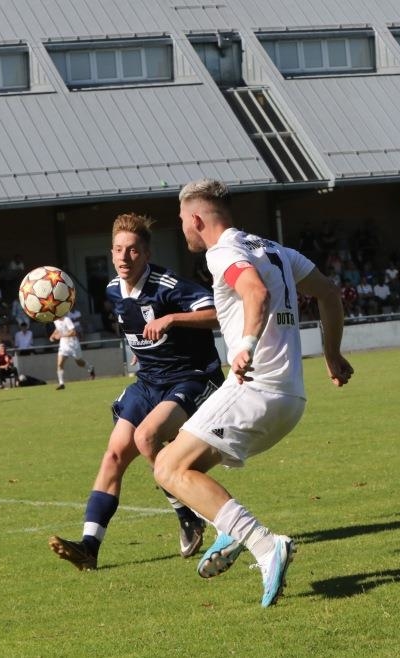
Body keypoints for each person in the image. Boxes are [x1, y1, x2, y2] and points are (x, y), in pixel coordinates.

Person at [151, 179, 352, 608]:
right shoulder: (273, 249)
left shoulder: (221, 251)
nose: (183, 229)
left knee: (167, 466)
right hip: (291, 398)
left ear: (196, 219)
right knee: (192, 467)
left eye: (182, 221)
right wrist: (332, 355)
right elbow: (329, 293)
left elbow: (254, 293)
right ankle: (230, 533)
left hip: (255, 388)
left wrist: (243, 346)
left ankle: (263, 544)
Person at [49, 213, 225, 570]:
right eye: (117, 250)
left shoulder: (169, 285)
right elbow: (134, 325)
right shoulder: (114, 288)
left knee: (146, 438)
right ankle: (89, 547)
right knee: (113, 455)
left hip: (190, 378)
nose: (123, 258)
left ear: (146, 253)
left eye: (132, 251)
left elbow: (218, 312)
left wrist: (172, 319)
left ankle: (185, 513)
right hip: (149, 382)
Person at [50, 314, 94, 390]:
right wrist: (52, 336)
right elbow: (57, 329)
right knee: (59, 363)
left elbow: (73, 332)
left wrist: (61, 335)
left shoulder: (67, 319)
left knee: (78, 362)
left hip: (73, 344)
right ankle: (61, 383)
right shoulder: (55, 320)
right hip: (63, 344)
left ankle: (90, 368)